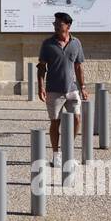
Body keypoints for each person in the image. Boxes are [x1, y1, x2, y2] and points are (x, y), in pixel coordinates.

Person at [37, 11, 88, 159]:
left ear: (68, 26)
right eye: (55, 24)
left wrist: (83, 87)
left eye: (59, 24)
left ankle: (68, 148)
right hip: (53, 91)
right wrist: (41, 88)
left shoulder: (76, 43)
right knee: (55, 122)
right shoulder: (47, 44)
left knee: (77, 119)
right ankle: (56, 154)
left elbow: (78, 67)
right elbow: (41, 67)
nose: (56, 27)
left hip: (72, 89)